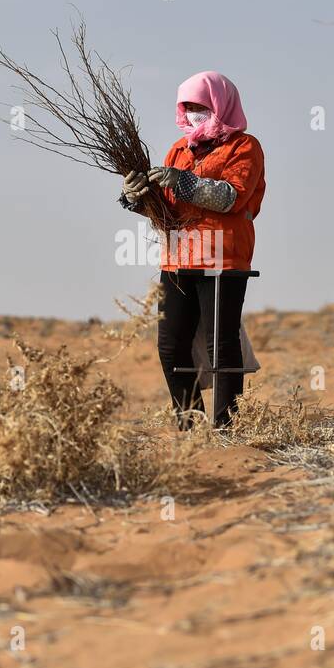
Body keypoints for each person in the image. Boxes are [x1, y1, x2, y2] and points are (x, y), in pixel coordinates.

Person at [119, 71, 265, 428]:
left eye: (202, 105)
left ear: (221, 105)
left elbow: (231, 197)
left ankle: (226, 428)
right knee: (170, 347)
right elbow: (166, 212)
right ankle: (191, 424)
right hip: (176, 259)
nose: (194, 112)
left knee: (221, 346)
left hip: (223, 259)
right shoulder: (177, 150)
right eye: (189, 106)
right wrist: (135, 197)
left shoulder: (244, 147)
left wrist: (182, 181)